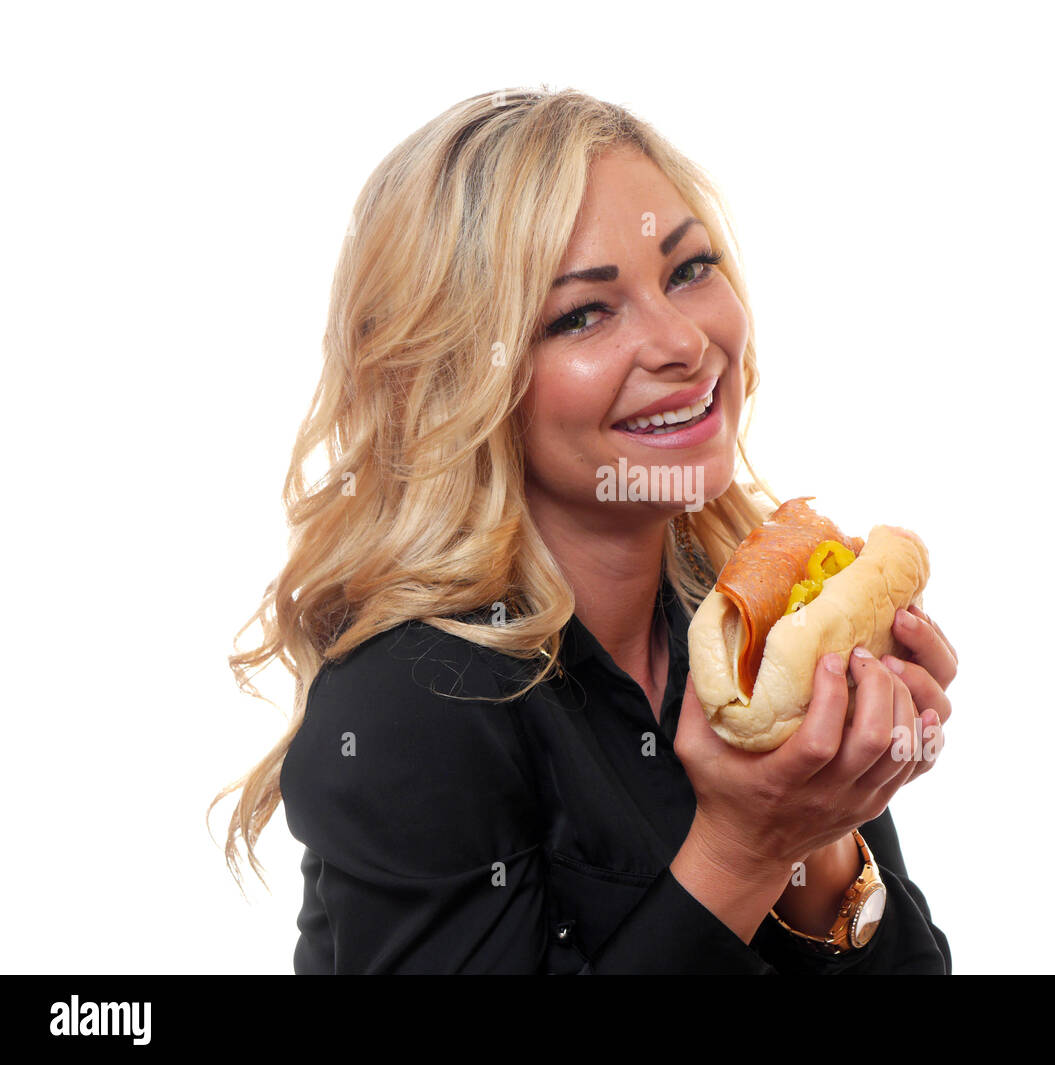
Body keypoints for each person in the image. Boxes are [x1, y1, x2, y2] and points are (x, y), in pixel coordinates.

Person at [208, 87, 959, 974]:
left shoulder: (743, 626)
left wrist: (822, 830)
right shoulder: (410, 701)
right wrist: (743, 847)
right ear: (461, 383)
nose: (683, 340)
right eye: (582, 315)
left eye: (688, 270)